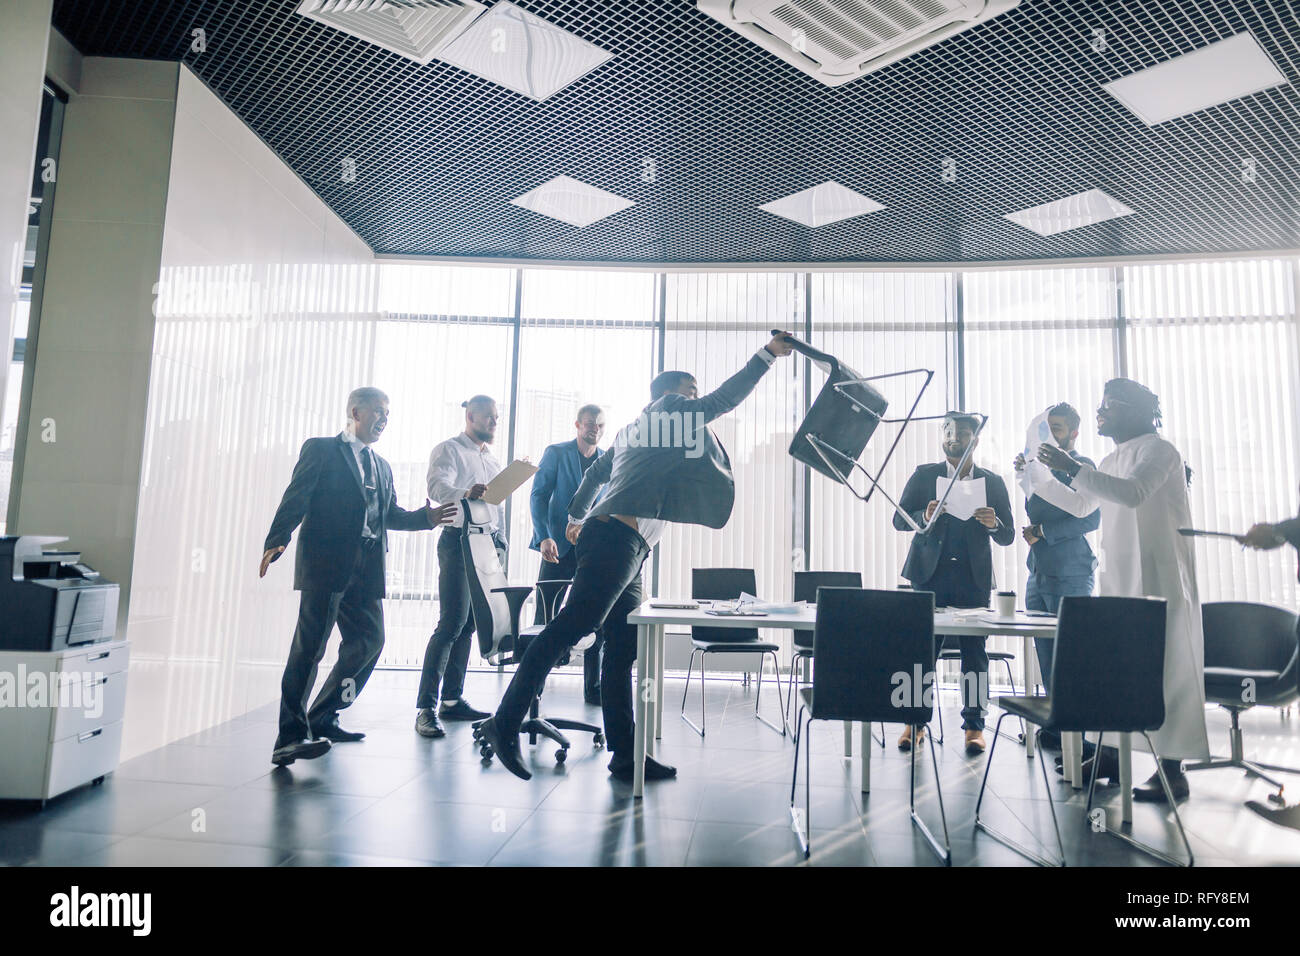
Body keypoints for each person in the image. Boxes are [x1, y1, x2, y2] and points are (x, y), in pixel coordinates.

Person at [474, 332, 795, 781]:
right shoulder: (670, 411)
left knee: (623, 651)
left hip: (628, 546)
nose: (696, 402)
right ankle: (504, 723)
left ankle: (626, 755)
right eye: (691, 393)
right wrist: (767, 356)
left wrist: (575, 515)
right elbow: (723, 400)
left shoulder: (632, 431)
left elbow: (595, 473)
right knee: (572, 627)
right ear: (672, 394)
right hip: (616, 543)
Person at [1035, 378, 1210, 802]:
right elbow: (1081, 505)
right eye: (1101, 403)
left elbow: (1133, 494)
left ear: (1138, 411)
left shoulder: (1159, 450)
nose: (1100, 411)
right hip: (1120, 576)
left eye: (1110, 404)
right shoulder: (1113, 457)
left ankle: (1173, 770)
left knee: (1166, 670)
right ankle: (1113, 756)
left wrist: (1073, 467)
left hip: (1161, 576)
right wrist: (1038, 478)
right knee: (1118, 668)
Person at [261, 387, 455, 766]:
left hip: (366, 569)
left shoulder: (382, 466)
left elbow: (390, 515)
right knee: (310, 649)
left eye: (388, 414)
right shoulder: (321, 450)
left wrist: (425, 518)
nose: (384, 420)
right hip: (326, 565)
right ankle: (289, 737)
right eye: (379, 412)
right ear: (356, 412)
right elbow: (296, 496)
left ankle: (324, 714)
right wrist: (277, 539)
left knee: (369, 641)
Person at [894, 411, 1015, 755]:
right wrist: (924, 516)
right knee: (919, 653)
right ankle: (913, 722)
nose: (952, 437)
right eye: (947, 431)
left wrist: (994, 524)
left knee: (974, 655)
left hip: (972, 580)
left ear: (974, 440)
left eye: (960, 433)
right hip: (928, 576)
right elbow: (899, 519)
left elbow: (1007, 535)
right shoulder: (924, 475)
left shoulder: (992, 481)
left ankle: (974, 727)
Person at [415, 395, 506, 738]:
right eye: (488, 418)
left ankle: (451, 701)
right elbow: (437, 488)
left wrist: (500, 542)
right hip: (457, 542)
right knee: (451, 623)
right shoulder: (449, 450)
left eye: (497, 418)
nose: (494, 423)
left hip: (486, 543)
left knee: (469, 624)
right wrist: (467, 493)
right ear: (470, 416)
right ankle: (425, 707)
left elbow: (492, 504)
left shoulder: (491, 459)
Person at [1013, 402, 1100, 750]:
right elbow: (1036, 508)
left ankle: (1081, 734)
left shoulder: (1084, 468)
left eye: (1058, 429)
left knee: (1073, 653)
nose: (1050, 435)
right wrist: (1026, 476)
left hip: (1071, 570)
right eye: (1047, 428)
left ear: (1074, 433)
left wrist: (1044, 531)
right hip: (1038, 571)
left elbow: (1091, 519)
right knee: (1045, 652)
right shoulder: (1038, 466)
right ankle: (1055, 727)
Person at [529, 404, 606, 705]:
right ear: (577, 424)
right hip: (557, 547)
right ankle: (532, 687)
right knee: (545, 615)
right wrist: (543, 536)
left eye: (599, 425)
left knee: (595, 616)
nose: (594, 430)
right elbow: (539, 495)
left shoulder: (605, 461)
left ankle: (593, 689)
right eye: (589, 424)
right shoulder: (557, 453)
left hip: (593, 550)